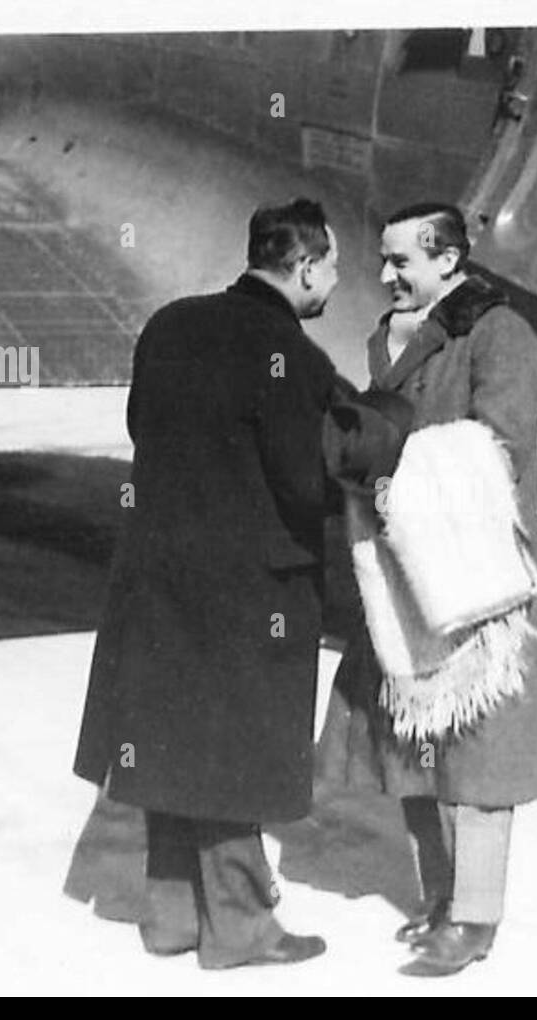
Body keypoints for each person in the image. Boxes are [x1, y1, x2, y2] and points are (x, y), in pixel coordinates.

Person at [70, 198, 344, 970]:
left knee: (167, 739)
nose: (333, 285)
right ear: (303, 266)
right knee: (234, 755)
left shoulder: (171, 325)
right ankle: (242, 929)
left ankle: (170, 916)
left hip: (156, 572)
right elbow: (302, 479)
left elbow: (139, 425)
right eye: (331, 270)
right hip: (249, 590)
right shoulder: (289, 351)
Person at [320, 202, 537, 977]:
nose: (385, 275)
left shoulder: (499, 332)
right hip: (402, 566)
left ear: (450, 260)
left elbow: (501, 445)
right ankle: (440, 897)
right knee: (411, 735)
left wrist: (392, 467)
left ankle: (475, 919)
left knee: (481, 747)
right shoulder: (392, 331)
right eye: (383, 260)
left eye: (401, 261)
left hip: (478, 572)